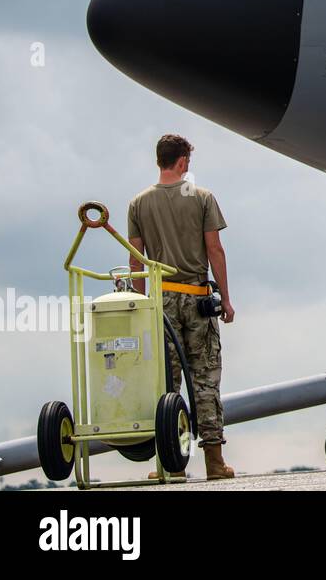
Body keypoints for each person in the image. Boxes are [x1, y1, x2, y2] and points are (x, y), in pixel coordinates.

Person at [127, 133, 236, 478]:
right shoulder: (202, 198)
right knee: (205, 379)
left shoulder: (138, 203)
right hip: (197, 297)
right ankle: (214, 463)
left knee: (164, 382)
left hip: (161, 300)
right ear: (183, 162)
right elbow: (215, 250)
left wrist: (144, 305)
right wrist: (227, 300)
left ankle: (168, 465)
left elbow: (135, 263)